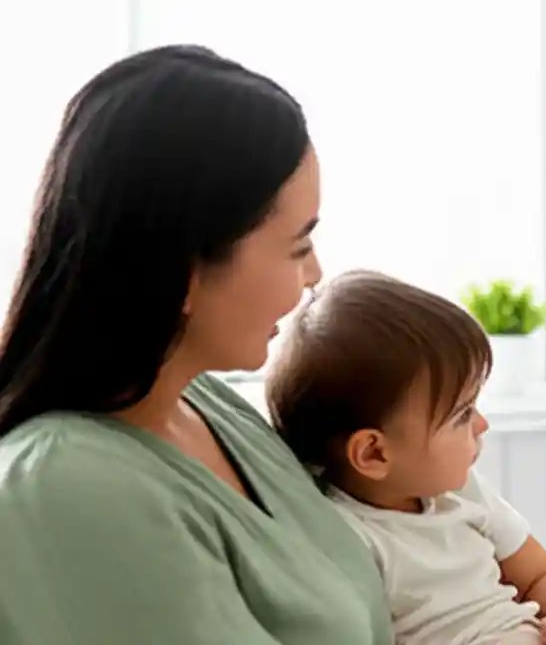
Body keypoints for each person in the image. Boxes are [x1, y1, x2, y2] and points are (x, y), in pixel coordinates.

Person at [0, 46, 394, 643]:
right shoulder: (66, 488)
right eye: (297, 247)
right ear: (183, 271)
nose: (315, 275)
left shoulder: (207, 405)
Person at [266, 270, 546, 645]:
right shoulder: (350, 537)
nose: (482, 424)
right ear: (374, 453)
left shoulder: (463, 491)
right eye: (462, 415)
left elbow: (541, 575)